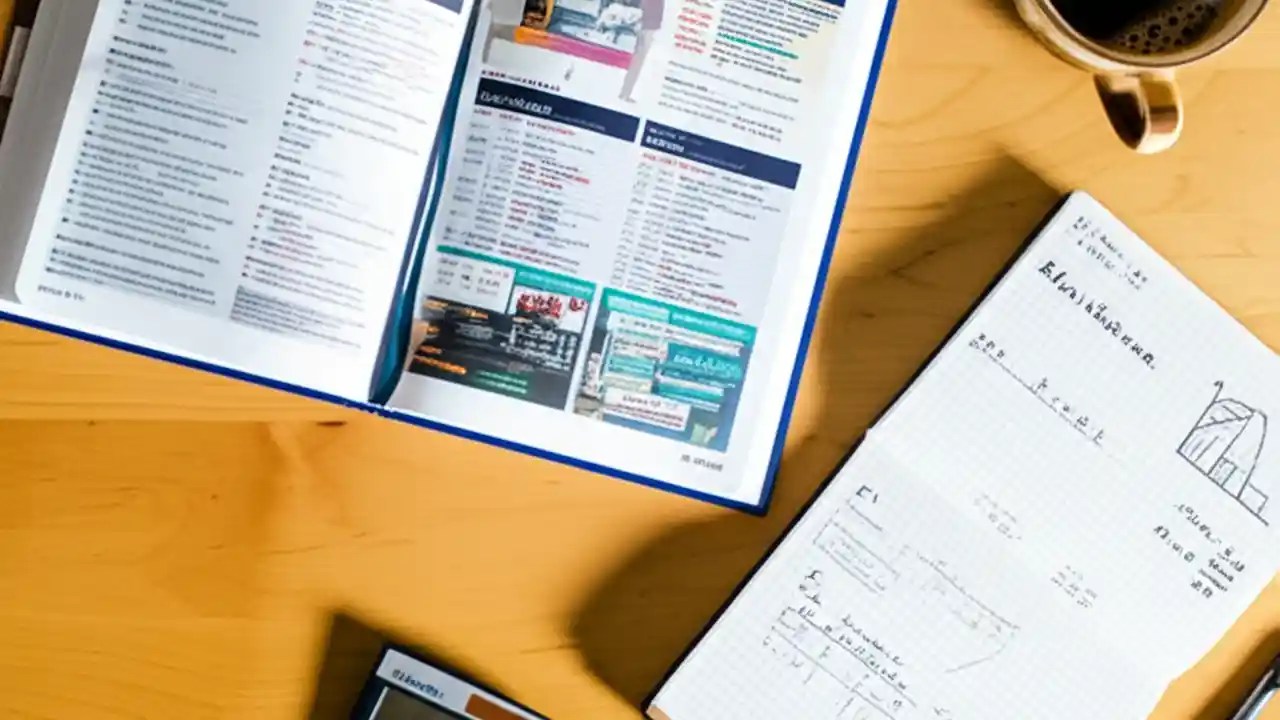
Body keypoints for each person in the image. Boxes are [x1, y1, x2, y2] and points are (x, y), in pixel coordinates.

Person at [620, 0, 663, 102]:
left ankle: (625, 92)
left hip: (649, 25)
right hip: (647, 26)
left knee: (638, 61)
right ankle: (625, 93)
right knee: (638, 61)